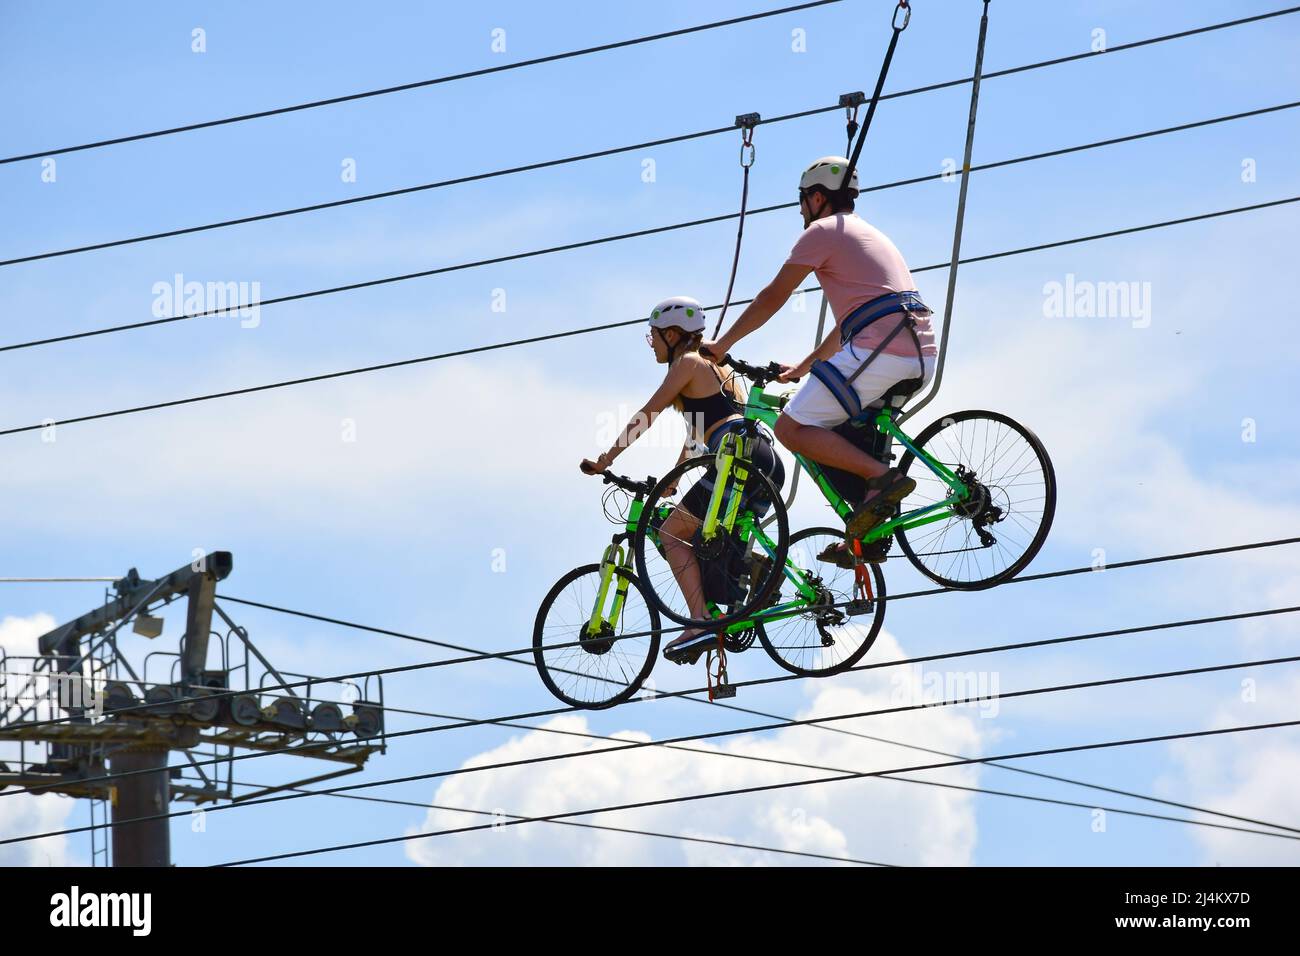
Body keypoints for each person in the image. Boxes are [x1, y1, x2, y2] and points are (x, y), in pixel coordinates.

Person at [702, 156, 937, 552]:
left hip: (882, 350)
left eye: (801, 200)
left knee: (791, 429)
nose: (800, 210)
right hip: (917, 353)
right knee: (840, 431)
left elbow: (773, 296)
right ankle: (868, 528)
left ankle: (885, 477)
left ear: (816, 196)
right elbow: (849, 324)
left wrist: (723, 345)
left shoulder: (821, 233)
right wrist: (804, 368)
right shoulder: (871, 235)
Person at [581, 297, 785, 662]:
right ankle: (754, 568)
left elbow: (648, 414)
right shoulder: (714, 369)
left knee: (670, 534)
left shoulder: (688, 363)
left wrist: (607, 458)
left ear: (672, 334)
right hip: (763, 459)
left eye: (654, 336)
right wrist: (673, 481)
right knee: (715, 539)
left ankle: (699, 622)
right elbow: (697, 435)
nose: (653, 344)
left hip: (733, 460)